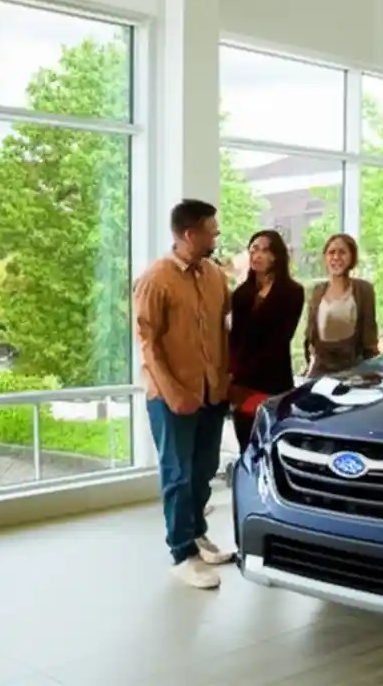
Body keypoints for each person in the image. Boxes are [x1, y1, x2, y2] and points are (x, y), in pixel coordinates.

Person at [133, 199, 236, 589]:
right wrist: (172, 391)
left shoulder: (214, 276)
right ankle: (181, 553)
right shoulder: (155, 279)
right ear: (190, 234)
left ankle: (196, 534)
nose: (216, 234)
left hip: (211, 392)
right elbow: (147, 343)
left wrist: (224, 378)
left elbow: (223, 329)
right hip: (170, 397)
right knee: (178, 474)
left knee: (204, 469)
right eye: (211, 229)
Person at [228, 230, 304, 450]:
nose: (257, 255)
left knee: (270, 444)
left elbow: (282, 338)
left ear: (276, 256)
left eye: (264, 250)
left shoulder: (292, 292)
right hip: (242, 383)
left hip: (274, 380)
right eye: (253, 250)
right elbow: (235, 338)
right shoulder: (241, 293)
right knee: (245, 445)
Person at [303, 233, 380, 377]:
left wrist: (373, 372)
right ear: (325, 257)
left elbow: (369, 337)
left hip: (354, 371)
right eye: (331, 252)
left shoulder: (364, 290)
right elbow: (310, 336)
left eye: (342, 252)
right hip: (321, 371)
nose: (336, 257)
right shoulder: (317, 291)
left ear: (352, 257)